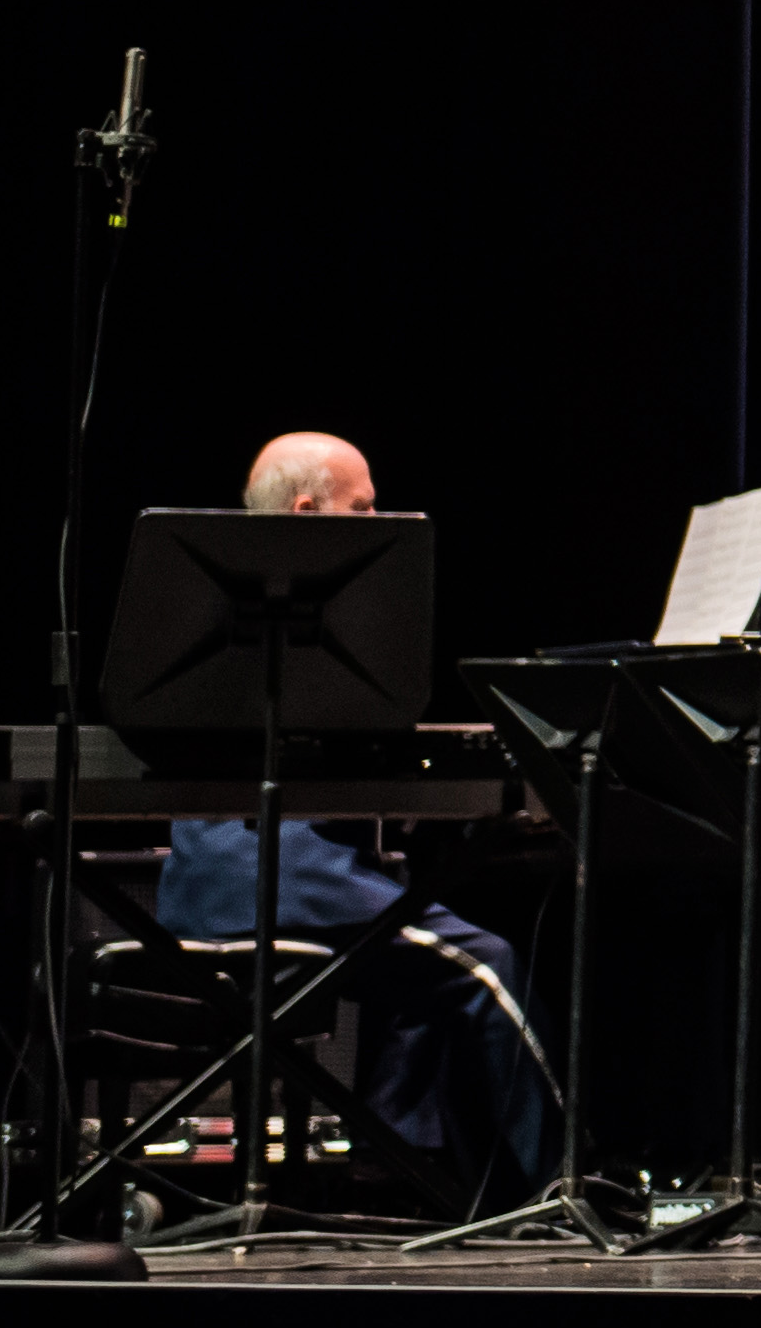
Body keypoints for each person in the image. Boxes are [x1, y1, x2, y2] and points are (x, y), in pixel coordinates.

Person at [149, 432, 551, 1205]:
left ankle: (405, 1171)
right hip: (278, 876)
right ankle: (547, 1194)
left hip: (195, 890)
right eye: (363, 508)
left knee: (422, 976)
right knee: (485, 966)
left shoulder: (200, 622)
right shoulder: (320, 631)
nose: (379, 522)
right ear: (308, 514)